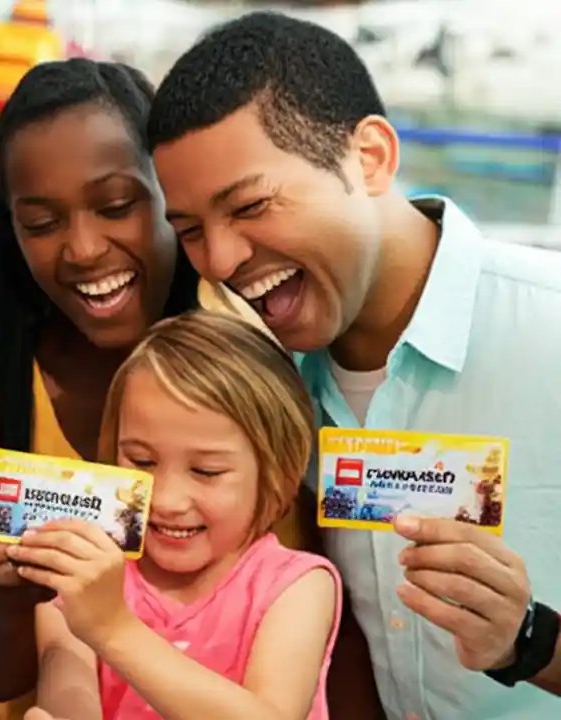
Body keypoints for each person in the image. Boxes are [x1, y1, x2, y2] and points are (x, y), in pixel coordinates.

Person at [147, 11, 561, 719]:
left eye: (249, 205)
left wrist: (531, 643)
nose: (219, 261)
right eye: (189, 232)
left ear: (369, 157)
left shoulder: (547, 329)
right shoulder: (255, 388)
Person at [0, 58, 324, 720]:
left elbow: (303, 646)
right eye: (41, 222)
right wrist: (10, 596)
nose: (84, 248)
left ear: (170, 196)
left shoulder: (255, 370)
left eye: (116, 206)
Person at [21, 310, 341, 719]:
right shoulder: (89, 568)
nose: (168, 499)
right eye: (141, 460)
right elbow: (65, 671)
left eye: (206, 471)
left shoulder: (297, 586)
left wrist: (113, 629)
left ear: (279, 477)